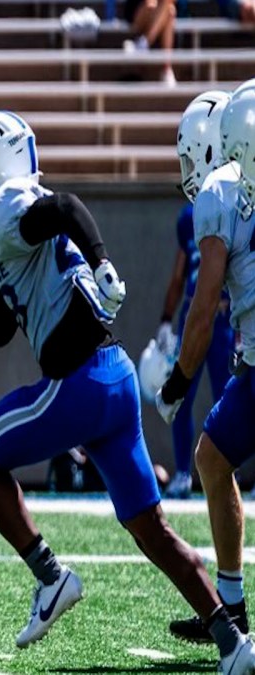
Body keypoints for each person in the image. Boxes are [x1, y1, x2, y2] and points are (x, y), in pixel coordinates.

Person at [0, 110, 255, 673]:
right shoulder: (17, 225)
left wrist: (101, 261)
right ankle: (232, 642)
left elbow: (67, 206)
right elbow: (3, 326)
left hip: (77, 385)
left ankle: (51, 577)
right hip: (114, 378)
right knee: (152, 528)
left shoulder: (7, 208)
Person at [158, 80, 255, 648]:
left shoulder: (221, 192)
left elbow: (202, 306)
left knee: (211, 460)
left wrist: (178, 379)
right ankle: (232, 605)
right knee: (212, 459)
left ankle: (234, 606)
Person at [158, 90, 237, 499]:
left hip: (219, 313)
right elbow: (180, 275)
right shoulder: (193, 213)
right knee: (208, 411)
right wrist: (166, 321)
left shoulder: (217, 198)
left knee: (228, 395)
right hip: (205, 309)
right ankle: (187, 473)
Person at [123, 0, 177, 87]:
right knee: (155, 6)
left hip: (158, 13)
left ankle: (144, 42)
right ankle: (167, 68)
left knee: (170, 11)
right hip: (138, 11)